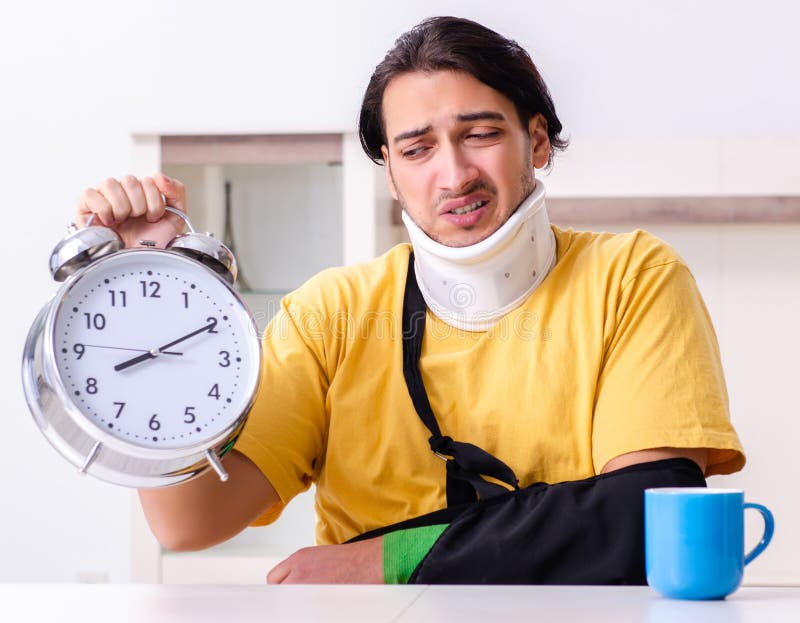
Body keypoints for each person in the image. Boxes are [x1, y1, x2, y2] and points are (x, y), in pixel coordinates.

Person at [75, 16, 744, 584]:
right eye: (417, 149)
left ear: (535, 140)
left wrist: (379, 559)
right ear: (391, 175)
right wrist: (151, 296)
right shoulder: (331, 314)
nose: (453, 174)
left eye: (480, 134)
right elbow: (188, 520)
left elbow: (641, 517)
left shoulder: (632, 277)